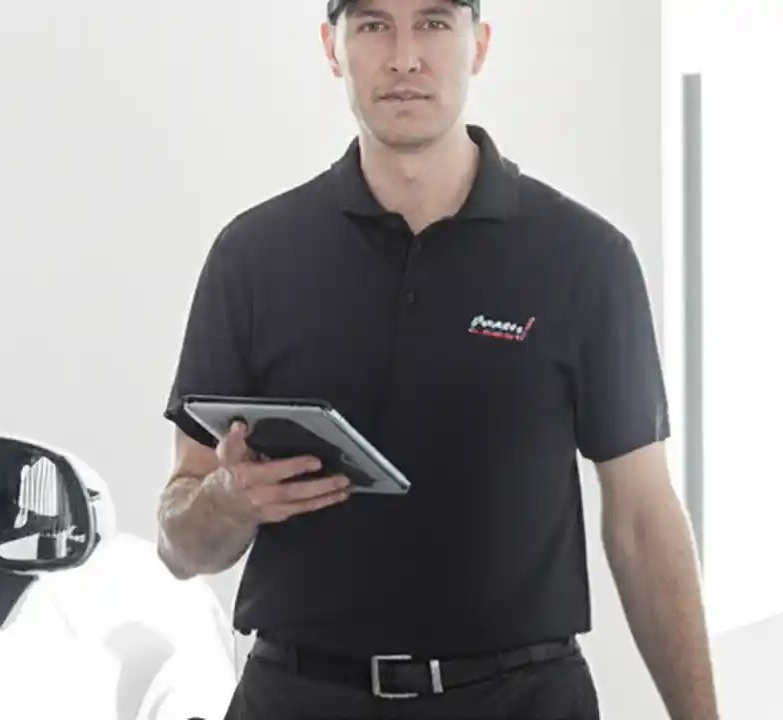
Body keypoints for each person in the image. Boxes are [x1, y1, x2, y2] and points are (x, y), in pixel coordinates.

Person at [157, 1, 720, 718]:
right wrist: (224, 503)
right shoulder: (253, 257)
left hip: (523, 702)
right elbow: (181, 545)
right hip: (297, 698)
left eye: (432, 23)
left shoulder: (584, 260)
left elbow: (642, 521)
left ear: (478, 45)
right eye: (371, 26)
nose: (403, 57)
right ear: (333, 50)